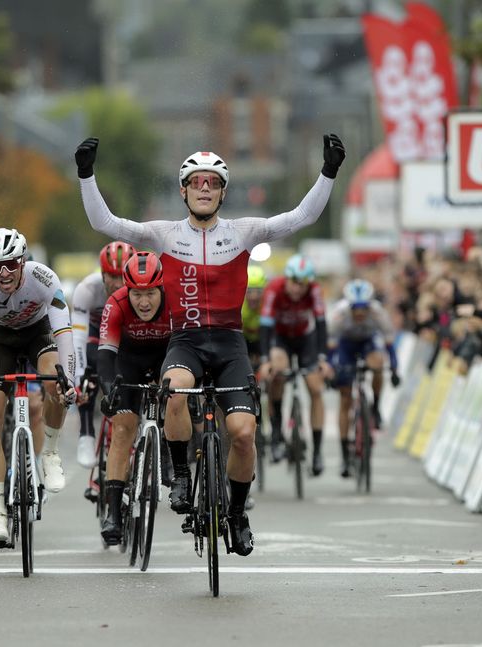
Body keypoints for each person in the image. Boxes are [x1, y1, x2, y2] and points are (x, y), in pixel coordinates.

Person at [75, 133, 345, 556]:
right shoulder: (164, 234)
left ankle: (236, 514)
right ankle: (181, 475)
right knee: (174, 390)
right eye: (196, 182)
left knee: (243, 435)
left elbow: (301, 217)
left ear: (223, 192)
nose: (204, 188)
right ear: (183, 191)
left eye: (213, 182)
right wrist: (86, 175)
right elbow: (106, 224)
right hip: (185, 340)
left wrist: (328, 172)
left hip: (230, 343)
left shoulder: (243, 232)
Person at [0, 227, 76, 544]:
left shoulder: (44, 278)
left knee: (56, 384)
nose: (4, 272)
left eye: (10, 264)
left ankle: (50, 453)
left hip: (39, 332)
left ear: (22, 260)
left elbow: (64, 335)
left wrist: (69, 379)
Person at [96, 251, 171, 545]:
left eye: (150, 293)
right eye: (137, 294)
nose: (144, 302)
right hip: (127, 363)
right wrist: (108, 390)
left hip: (166, 358)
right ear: (127, 291)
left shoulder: (175, 301)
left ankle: (168, 453)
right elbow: (105, 355)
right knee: (122, 429)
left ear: (162, 288)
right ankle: (113, 513)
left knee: (177, 401)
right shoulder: (115, 303)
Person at [258, 255, 333, 477]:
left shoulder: (315, 290)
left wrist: (322, 358)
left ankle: (317, 451)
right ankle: (277, 434)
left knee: (315, 388)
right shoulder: (274, 288)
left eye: (303, 284)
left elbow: (321, 323)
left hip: (305, 338)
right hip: (281, 338)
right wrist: (265, 360)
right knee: (278, 370)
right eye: (294, 282)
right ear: (287, 279)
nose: (298, 289)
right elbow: (265, 326)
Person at [326, 278, 400, 478]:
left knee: (378, 363)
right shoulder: (339, 314)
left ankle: (375, 407)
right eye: (355, 308)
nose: (359, 313)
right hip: (345, 346)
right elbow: (330, 348)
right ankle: (344, 456)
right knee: (345, 399)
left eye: (363, 308)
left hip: (368, 343)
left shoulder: (378, 313)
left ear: (370, 305)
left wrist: (394, 369)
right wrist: (331, 371)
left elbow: (389, 344)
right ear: (348, 305)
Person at [72, 241, 135, 469]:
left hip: (125, 334)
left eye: (122, 276)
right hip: (95, 335)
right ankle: (86, 433)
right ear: (102, 274)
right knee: (88, 373)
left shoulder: (140, 290)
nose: (118, 284)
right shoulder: (87, 289)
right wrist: (79, 375)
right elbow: (77, 338)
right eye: (112, 277)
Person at [242, 265, 267, 368]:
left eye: (258, 291)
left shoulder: (267, 303)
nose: (254, 296)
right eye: (249, 291)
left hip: (262, 339)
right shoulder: (240, 305)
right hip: (243, 339)